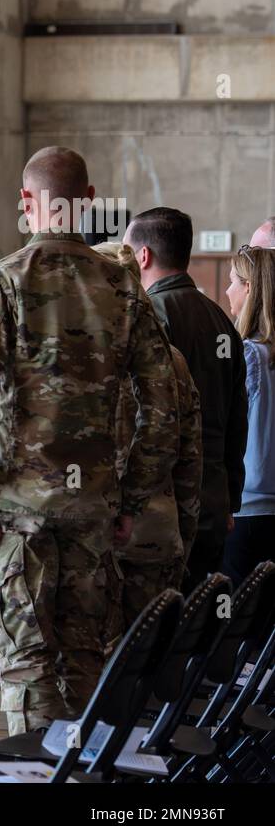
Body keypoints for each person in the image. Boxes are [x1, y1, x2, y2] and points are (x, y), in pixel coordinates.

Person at [0, 145, 178, 736]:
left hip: (16, 515)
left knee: (27, 667)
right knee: (85, 664)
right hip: (95, 511)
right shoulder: (124, 287)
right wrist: (133, 500)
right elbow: (162, 408)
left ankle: (33, 776)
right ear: (86, 199)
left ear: (27, 202)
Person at [124, 207, 247, 592]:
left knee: (153, 629)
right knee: (198, 624)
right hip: (212, 499)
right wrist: (230, 498)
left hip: (165, 503)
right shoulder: (220, 319)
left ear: (142, 256)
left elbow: (140, 413)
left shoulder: (149, 316)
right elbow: (236, 417)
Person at [94, 241, 202, 641]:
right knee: (147, 658)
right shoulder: (170, 358)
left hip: (90, 537)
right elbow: (189, 455)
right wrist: (184, 534)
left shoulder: (79, 357)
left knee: (94, 665)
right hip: (156, 530)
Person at [221, 245, 275, 584]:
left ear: (250, 288)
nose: (227, 291)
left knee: (235, 627)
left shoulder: (247, 354)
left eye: (232, 282)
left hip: (248, 509)